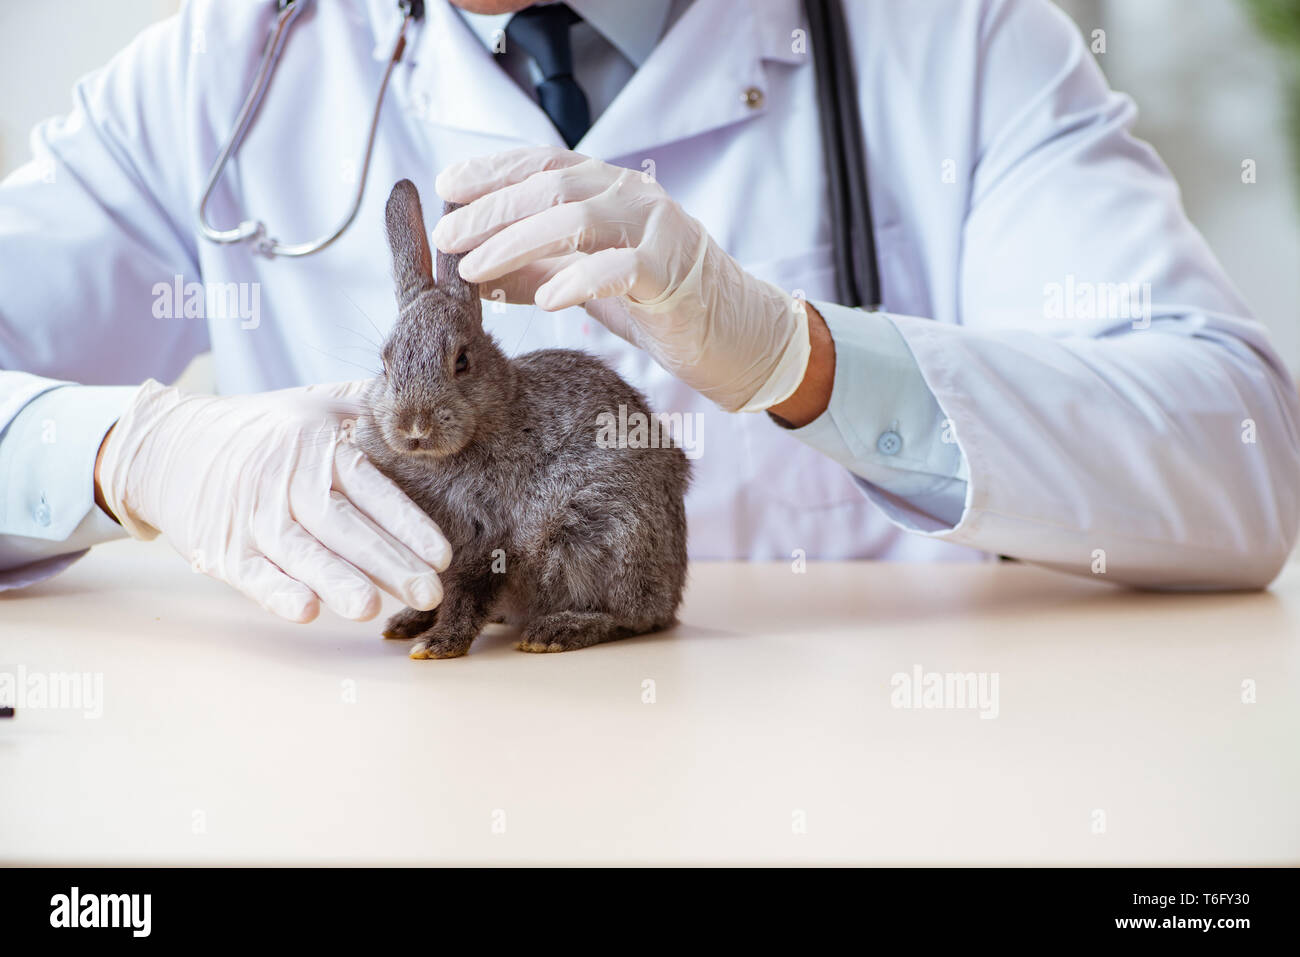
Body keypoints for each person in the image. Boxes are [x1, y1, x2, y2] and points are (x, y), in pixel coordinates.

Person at [1, 0, 1296, 624]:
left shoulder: (954, 39)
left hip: (858, 801)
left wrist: (803, 357)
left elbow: (1240, 453)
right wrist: (127, 452)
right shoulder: (222, 75)